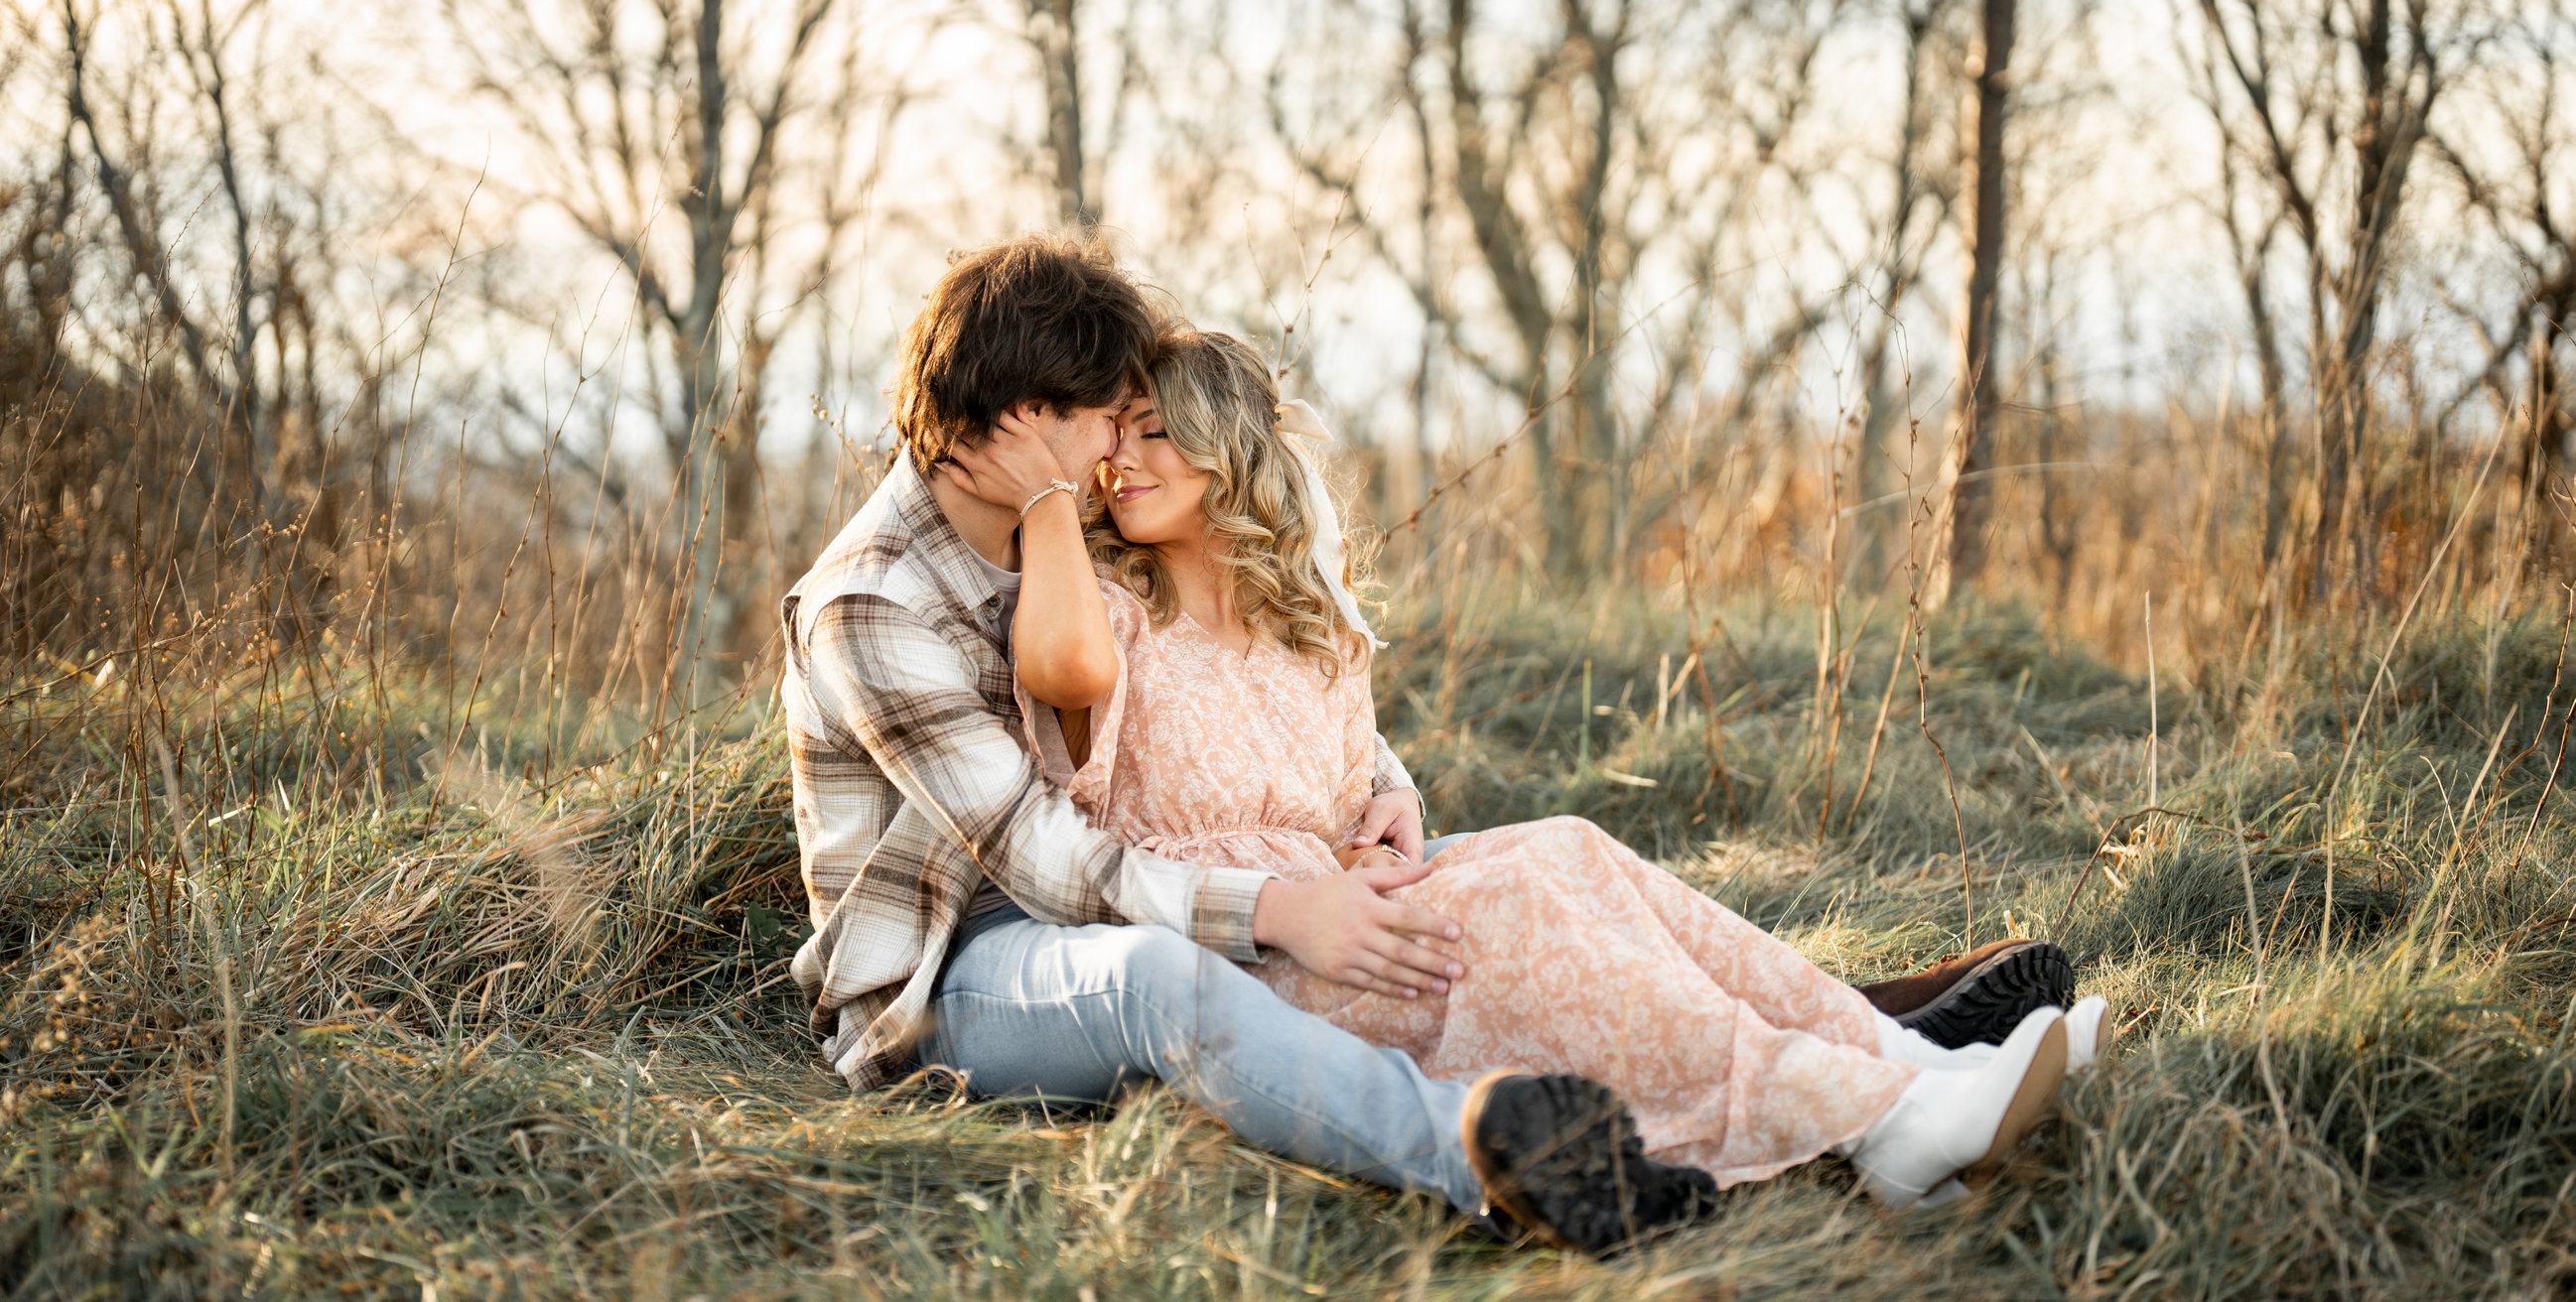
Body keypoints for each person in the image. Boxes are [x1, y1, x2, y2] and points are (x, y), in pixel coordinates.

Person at [779, 233, 2079, 1252]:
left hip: (1172, 869)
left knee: (1527, 859)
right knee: (1160, 982)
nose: (1123, 441)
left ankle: (1886, 1050)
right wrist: (1285, 909)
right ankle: (1508, 1159)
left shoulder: (1049, 516)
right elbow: (1052, 860)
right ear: (1012, 421)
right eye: (1101, 416)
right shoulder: (873, 602)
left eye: (1142, 416)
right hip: (967, 966)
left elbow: (1233, 698)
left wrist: (1379, 800)